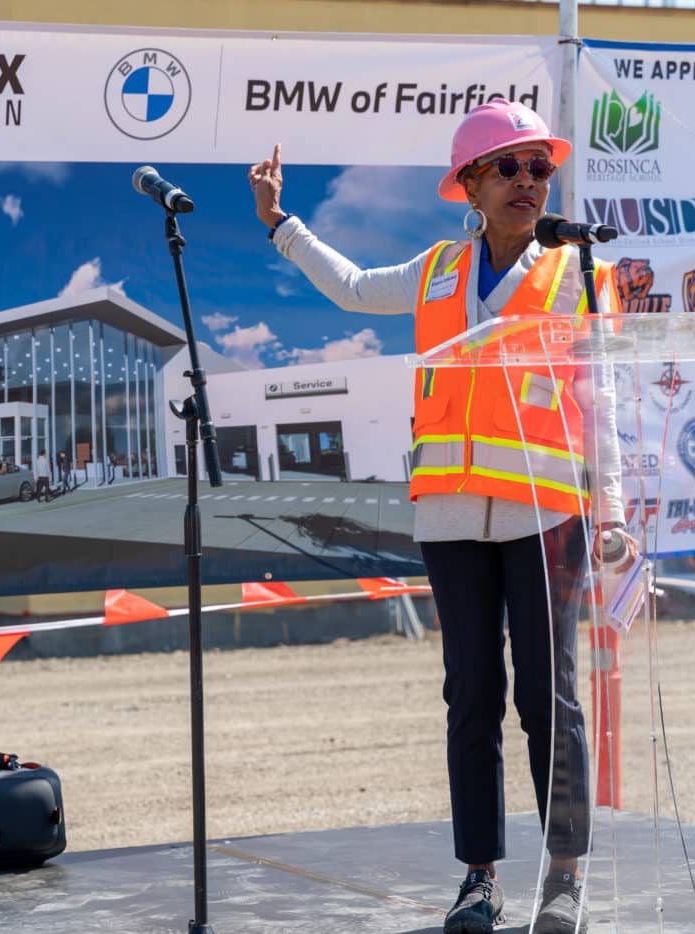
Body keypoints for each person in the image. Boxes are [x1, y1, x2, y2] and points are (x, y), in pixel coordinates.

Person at [249, 100, 635, 934]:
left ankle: (565, 873)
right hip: (451, 516)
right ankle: (479, 878)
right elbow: (353, 288)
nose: (530, 181)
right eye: (510, 167)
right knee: (471, 695)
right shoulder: (434, 272)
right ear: (469, 183)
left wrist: (611, 507)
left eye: (540, 167)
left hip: (546, 511)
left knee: (549, 694)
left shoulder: (580, 273)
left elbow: (600, 395)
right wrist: (281, 224)